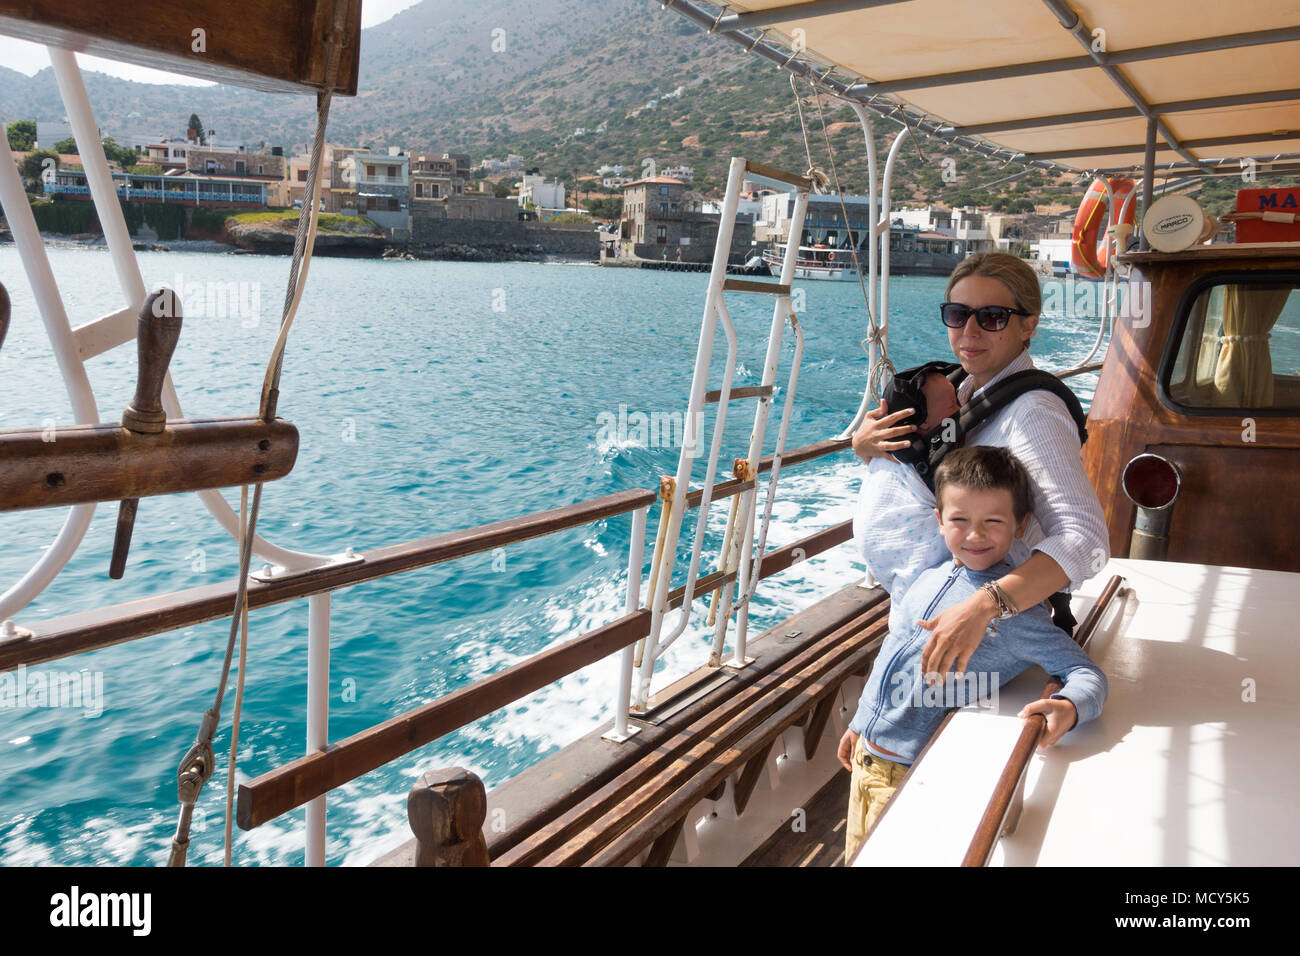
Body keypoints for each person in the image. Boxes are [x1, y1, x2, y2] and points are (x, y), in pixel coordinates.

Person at [840, 445, 1108, 861]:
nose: (975, 535)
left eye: (993, 522)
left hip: (913, 773)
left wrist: (1070, 706)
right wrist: (861, 722)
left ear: (1020, 525)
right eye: (959, 520)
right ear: (939, 521)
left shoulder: (1016, 613)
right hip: (867, 757)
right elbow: (893, 652)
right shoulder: (930, 577)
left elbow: (1084, 672)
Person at [851, 251, 1109, 682]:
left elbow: (1084, 537)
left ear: (1029, 324)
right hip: (928, 617)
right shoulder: (957, 391)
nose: (968, 331)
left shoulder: (1034, 414)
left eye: (992, 317)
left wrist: (984, 606)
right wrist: (866, 446)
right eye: (957, 314)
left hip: (981, 635)